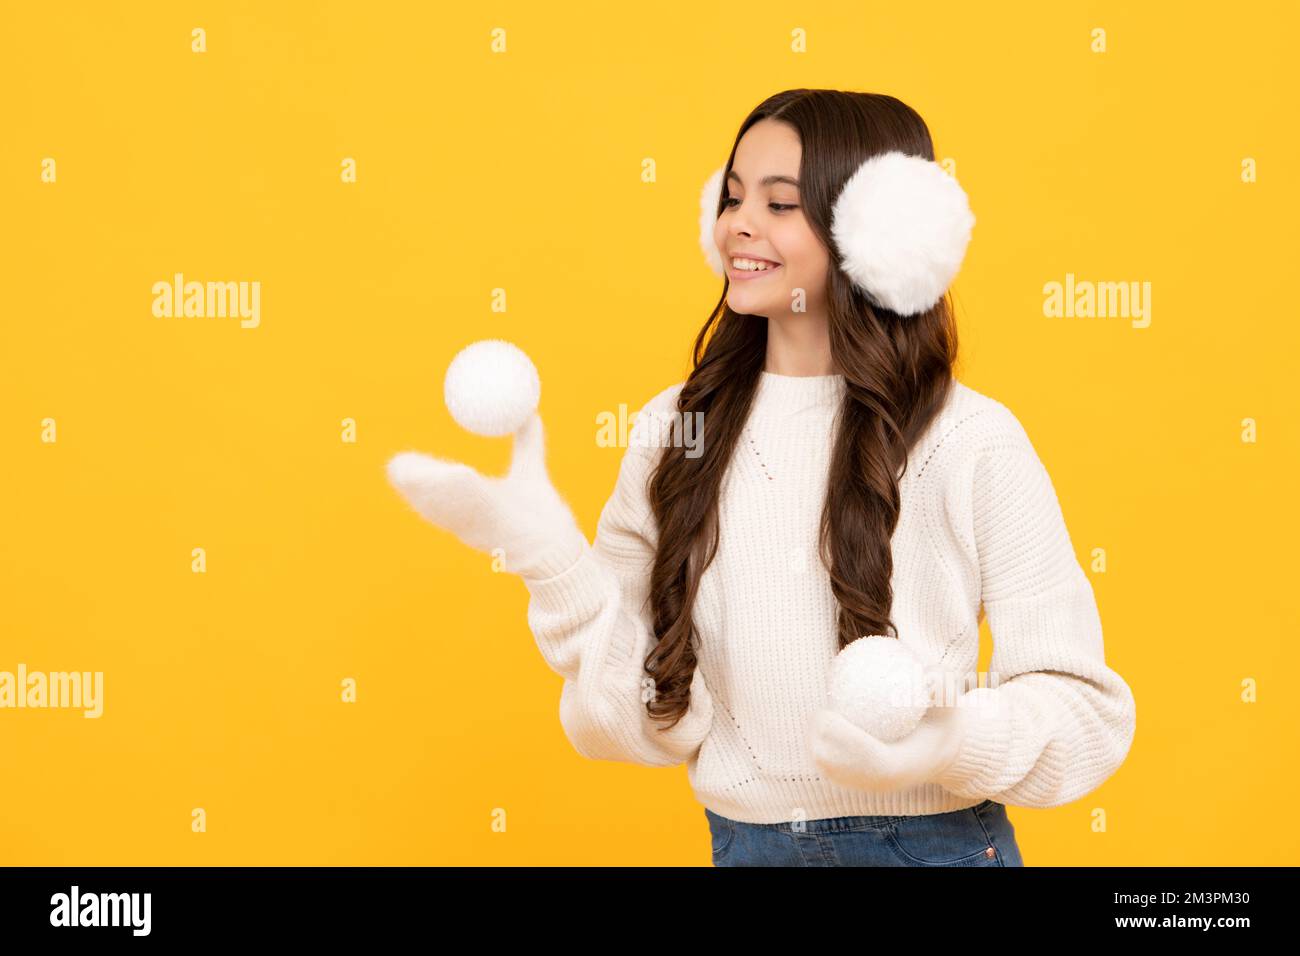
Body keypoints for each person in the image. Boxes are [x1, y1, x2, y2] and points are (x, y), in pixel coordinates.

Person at [387, 89, 1137, 867]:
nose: (738, 223)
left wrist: (946, 739)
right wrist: (554, 565)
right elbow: (634, 726)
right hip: (745, 849)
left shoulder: (971, 440)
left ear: (883, 234)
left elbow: (1085, 713)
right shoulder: (678, 430)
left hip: (935, 850)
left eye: (781, 204)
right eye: (734, 195)